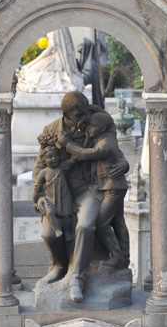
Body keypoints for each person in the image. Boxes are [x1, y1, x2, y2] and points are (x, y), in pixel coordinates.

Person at [32, 92, 129, 303]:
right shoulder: (51, 130)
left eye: (86, 112)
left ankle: (77, 279)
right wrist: (38, 198)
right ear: (66, 113)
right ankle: (59, 266)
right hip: (58, 194)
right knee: (49, 235)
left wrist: (123, 164)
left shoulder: (95, 123)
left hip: (88, 190)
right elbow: (39, 168)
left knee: (85, 226)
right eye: (79, 114)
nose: (84, 118)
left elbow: (113, 149)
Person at [58, 112, 129, 268]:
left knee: (102, 223)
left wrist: (67, 144)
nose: (88, 128)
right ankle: (124, 257)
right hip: (111, 186)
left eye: (92, 126)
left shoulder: (105, 144)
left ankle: (118, 257)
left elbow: (84, 154)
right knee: (118, 222)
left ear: (102, 128)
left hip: (112, 188)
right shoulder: (102, 136)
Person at [33, 146, 74, 239]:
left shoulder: (62, 168)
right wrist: (34, 201)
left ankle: (67, 232)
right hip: (50, 199)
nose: (54, 158)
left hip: (63, 198)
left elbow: (72, 161)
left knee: (66, 216)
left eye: (55, 156)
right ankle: (57, 229)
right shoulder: (43, 173)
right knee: (49, 213)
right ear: (44, 160)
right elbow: (37, 188)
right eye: (50, 157)